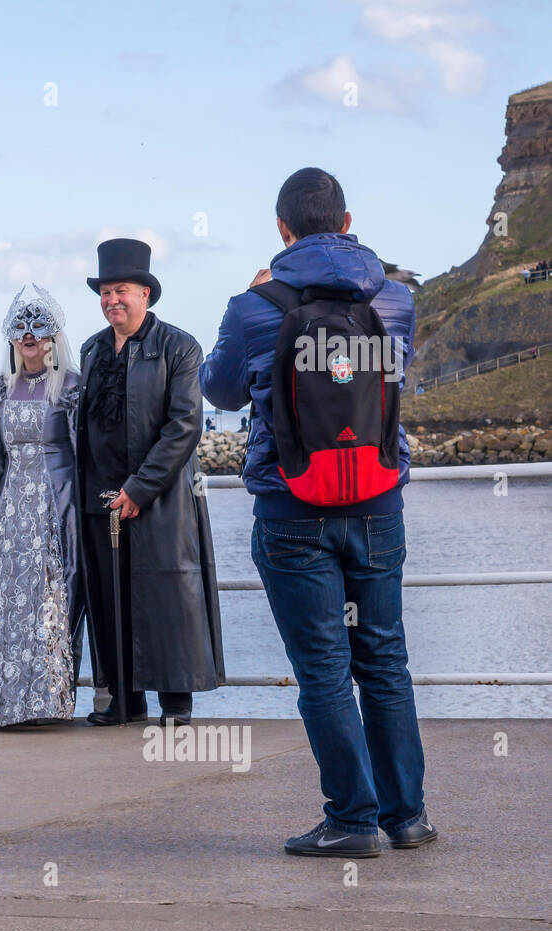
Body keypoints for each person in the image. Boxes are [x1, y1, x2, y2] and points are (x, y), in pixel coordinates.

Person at [201, 167, 433, 858]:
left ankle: (352, 820)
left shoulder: (254, 307)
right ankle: (407, 816)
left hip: (291, 506)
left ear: (282, 229)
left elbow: (220, 392)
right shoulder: (395, 300)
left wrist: (248, 308)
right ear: (347, 219)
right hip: (377, 501)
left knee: (325, 670)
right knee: (385, 659)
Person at [76, 238, 224, 727]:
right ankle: (123, 699)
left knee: (167, 596)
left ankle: (175, 705)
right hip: (101, 495)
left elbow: (184, 426)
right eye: (105, 292)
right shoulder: (92, 349)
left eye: (121, 290)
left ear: (145, 293)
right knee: (110, 596)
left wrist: (139, 489)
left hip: (159, 499)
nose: (112, 300)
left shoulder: (180, 347)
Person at [0, 284, 81, 727]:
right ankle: (4, 701)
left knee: (50, 597)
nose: (29, 336)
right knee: (9, 599)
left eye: (39, 328)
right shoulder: (1, 389)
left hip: (56, 506)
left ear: (52, 338)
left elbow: (87, 450)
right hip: (12, 510)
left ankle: (47, 701)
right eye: (21, 330)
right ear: (11, 339)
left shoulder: (69, 386)